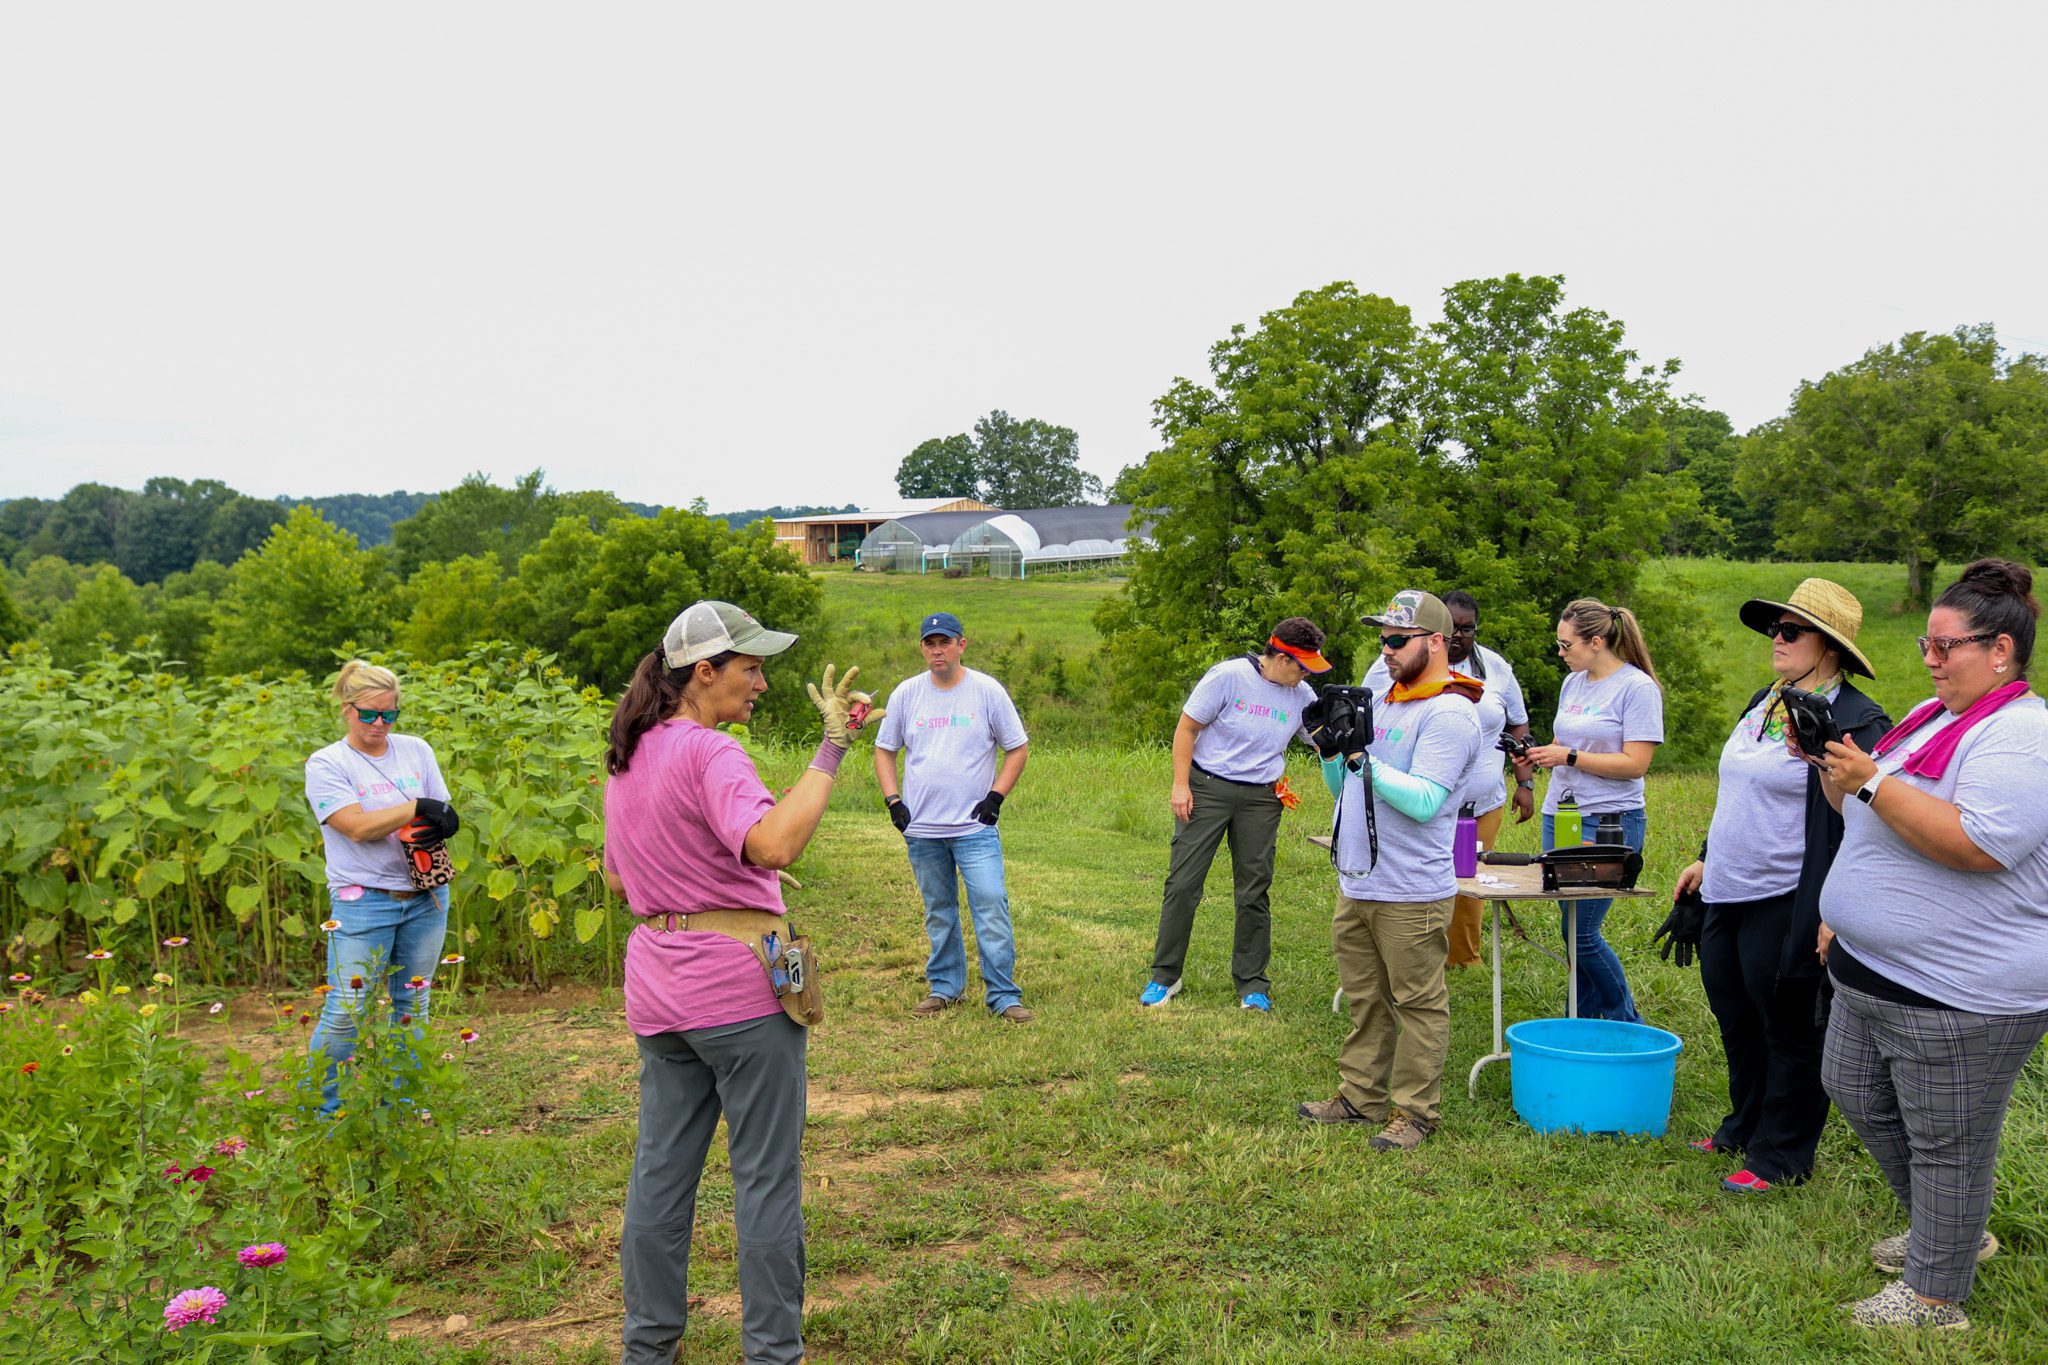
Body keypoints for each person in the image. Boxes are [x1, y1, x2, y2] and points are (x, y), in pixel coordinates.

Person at [605, 599, 878, 1365]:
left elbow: (623, 876)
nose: (760, 683)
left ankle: (648, 1348)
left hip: (659, 991)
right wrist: (831, 749)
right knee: (765, 1180)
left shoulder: (630, 754)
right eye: (751, 668)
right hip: (736, 997)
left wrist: (712, 875)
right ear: (704, 671)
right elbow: (775, 842)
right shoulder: (712, 752)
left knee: (661, 1174)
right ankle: (772, 1353)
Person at [1813, 560, 2048, 1332]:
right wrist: (1836, 772)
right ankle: (1950, 1233)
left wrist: (1871, 780)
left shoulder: (2023, 734)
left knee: (1948, 1142)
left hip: (1961, 990)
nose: (1931, 660)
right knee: (1853, 1089)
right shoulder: (1932, 715)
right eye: (1928, 644)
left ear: (2002, 651)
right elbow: (1864, 811)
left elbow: (1980, 844)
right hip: (1873, 969)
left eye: (1947, 646)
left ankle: (1934, 1297)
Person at [1667, 579, 1888, 1195]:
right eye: (1775, 629)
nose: (1777, 639)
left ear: (1830, 647)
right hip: (1727, 888)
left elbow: (1867, 822)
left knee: (1788, 1025)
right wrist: (1707, 859)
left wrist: (1840, 904)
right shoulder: (1765, 701)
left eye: (1791, 631)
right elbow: (1740, 793)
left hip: (1789, 895)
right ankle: (1743, 1125)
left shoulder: (1856, 720)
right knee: (1735, 1014)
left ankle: (1781, 1156)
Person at [1298, 590, 1481, 1150]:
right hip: (1360, 878)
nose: (1386, 650)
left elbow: (1425, 801)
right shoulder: (1386, 700)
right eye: (1383, 639)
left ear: (1435, 642)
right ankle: (1360, 1097)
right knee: (1365, 998)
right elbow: (1344, 789)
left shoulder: (1450, 712)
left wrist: (1362, 758)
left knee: (1418, 1004)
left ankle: (1416, 1113)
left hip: (1411, 889)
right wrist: (1331, 751)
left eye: (1398, 640)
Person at [1142, 617, 1334, 1010]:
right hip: (1207, 788)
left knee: (1254, 890)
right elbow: (1186, 729)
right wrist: (1180, 785)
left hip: (1262, 798)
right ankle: (1165, 977)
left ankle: (1252, 984)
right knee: (1183, 884)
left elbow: (1320, 741)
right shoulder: (1228, 677)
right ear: (1281, 658)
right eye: (1302, 667)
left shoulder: (1301, 695)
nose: (1306, 675)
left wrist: (1342, 737)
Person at [303, 660, 461, 1117]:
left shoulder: (416, 750)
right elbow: (355, 827)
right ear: (346, 709)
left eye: (388, 714)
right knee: (347, 1010)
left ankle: (402, 1109)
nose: (379, 724)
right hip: (363, 901)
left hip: (425, 897)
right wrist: (415, 806)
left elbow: (439, 809)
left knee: (413, 1001)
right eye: (369, 714)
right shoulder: (328, 763)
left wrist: (439, 823)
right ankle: (323, 1113)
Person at [874, 610, 1035, 1023]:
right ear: (922, 648)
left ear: (961, 645)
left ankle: (1003, 995)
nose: (937, 650)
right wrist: (894, 801)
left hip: (974, 827)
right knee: (939, 910)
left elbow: (1017, 747)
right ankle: (945, 987)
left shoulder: (986, 691)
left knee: (990, 904)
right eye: (929, 643)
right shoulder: (907, 694)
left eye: (945, 642)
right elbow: (885, 749)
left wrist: (995, 797)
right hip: (922, 828)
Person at [1517, 597, 1663, 1023]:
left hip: (1609, 821)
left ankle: (1625, 1022)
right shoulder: (1573, 683)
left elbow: (1636, 764)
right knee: (1571, 928)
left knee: (1582, 932)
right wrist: (1539, 755)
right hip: (1562, 815)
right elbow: (1566, 745)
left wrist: (1569, 757)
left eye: (1567, 645)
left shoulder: (1637, 688)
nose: (1560, 653)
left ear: (1596, 642)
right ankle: (1580, 1021)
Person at [1366, 590, 1529, 967]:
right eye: (1452, 627)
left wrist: (1525, 783)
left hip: (1480, 803)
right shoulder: (1393, 662)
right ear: (1437, 632)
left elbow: (1518, 722)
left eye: (1467, 629)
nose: (1458, 635)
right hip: (1411, 797)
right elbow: (1371, 715)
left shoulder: (1494, 668)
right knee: (1419, 882)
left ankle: (1462, 960)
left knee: (1468, 883)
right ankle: (1414, 955)